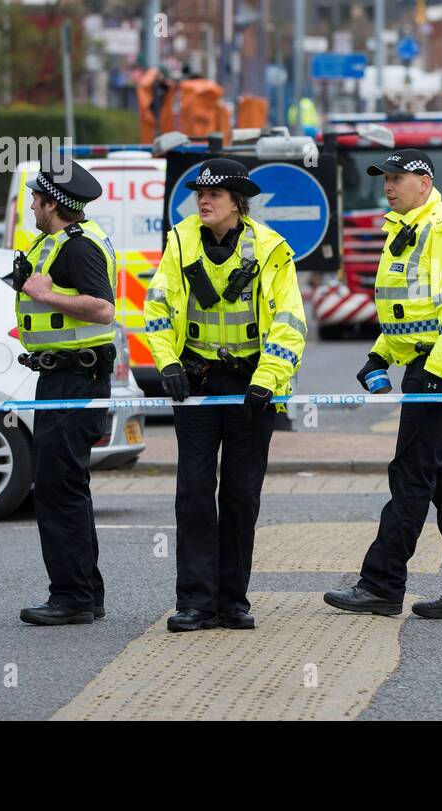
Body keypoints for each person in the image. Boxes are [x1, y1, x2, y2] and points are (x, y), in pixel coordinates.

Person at [324, 147, 442, 620]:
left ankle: (381, 585)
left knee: (411, 476)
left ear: (424, 181)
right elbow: (409, 315)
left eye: (397, 178)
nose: (388, 186)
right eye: (385, 179)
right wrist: (380, 355)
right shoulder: (405, 230)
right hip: (436, 366)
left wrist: (436, 378)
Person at [143, 157, 307, 632]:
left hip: (251, 386)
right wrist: (168, 363)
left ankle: (233, 600)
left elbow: (289, 323)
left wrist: (267, 378)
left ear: (238, 203)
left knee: (240, 495)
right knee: (194, 493)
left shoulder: (272, 249)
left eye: (214, 195)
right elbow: (157, 309)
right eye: (199, 194)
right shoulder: (180, 241)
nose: (204, 201)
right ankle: (195, 601)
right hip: (196, 381)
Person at [15, 161, 117, 626]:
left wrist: (46, 295)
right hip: (61, 378)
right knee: (63, 486)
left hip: (76, 381)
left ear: (53, 203)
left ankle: (73, 597)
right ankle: (82, 594)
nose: (33, 204)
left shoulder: (78, 248)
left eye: (37, 198)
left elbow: (102, 310)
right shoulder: (57, 242)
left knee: (59, 489)